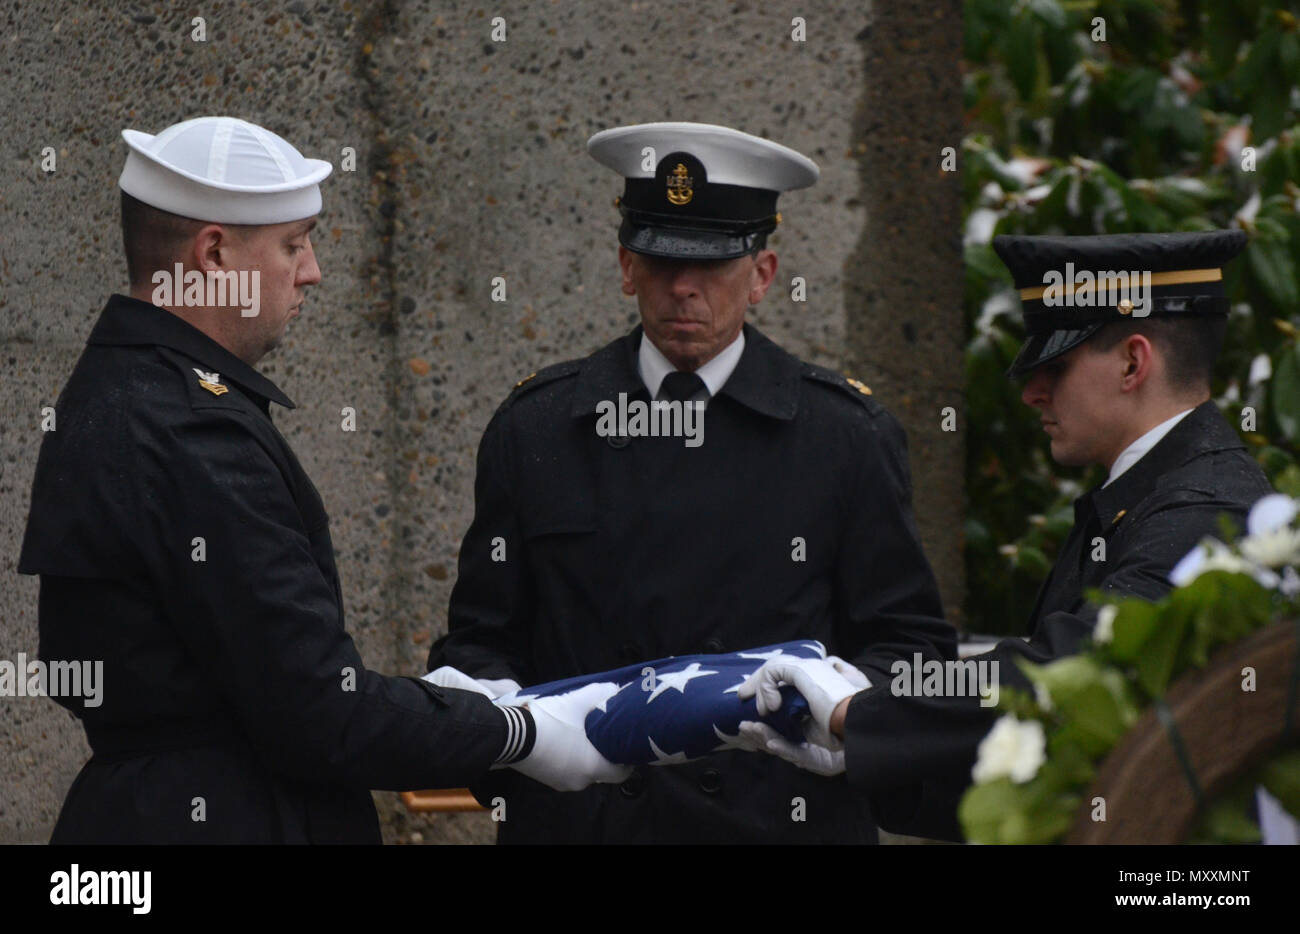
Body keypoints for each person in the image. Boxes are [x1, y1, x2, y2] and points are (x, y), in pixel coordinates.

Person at [17, 116, 623, 844]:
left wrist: (439, 706)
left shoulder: (119, 391)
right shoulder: (190, 429)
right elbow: (317, 712)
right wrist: (517, 732)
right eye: (294, 244)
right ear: (214, 253)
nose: (313, 271)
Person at [426, 122, 957, 844]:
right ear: (625, 267)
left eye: (710, 267)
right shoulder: (539, 428)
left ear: (763, 274)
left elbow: (910, 648)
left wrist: (836, 717)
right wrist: (525, 750)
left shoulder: (843, 436)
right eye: (661, 261)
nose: (683, 288)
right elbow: (478, 645)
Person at [738, 230, 1275, 840]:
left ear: (1133, 362)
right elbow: (1061, 744)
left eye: (1055, 367)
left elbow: (1066, 670)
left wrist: (854, 713)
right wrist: (870, 747)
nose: (1030, 392)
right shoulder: (1154, 494)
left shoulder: (1203, 510)